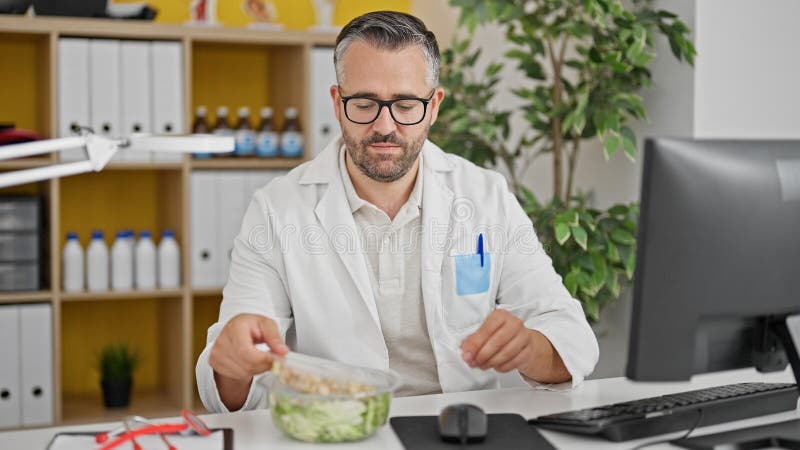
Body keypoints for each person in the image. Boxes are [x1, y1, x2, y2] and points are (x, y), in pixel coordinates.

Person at [197, 10, 598, 412]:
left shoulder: (484, 196)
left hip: (460, 431)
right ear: (337, 103)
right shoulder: (277, 210)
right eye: (365, 103)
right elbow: (227, 394)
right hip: (339, 431)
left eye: (406, 105)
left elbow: (572, 338)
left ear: (434, 104)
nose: (385, 126)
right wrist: (235, 362)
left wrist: (529, 347)